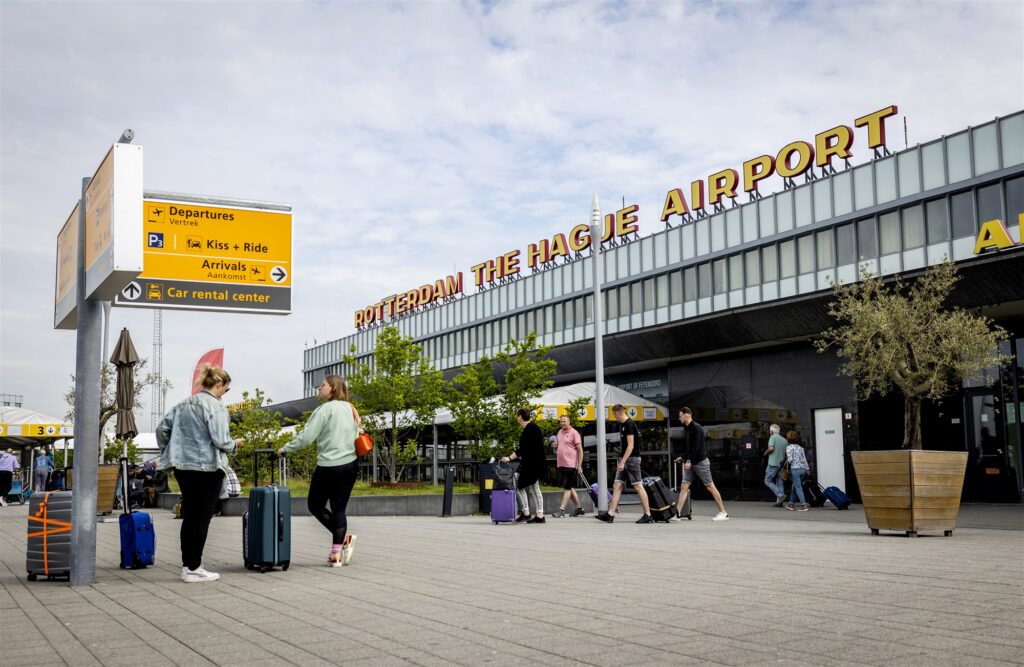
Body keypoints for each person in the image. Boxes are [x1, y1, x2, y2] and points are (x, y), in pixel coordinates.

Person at [157, 364, 241, 583]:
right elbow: (221, 439)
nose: (225, 393)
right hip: (207, 467)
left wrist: (171, 450)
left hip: (182, 467)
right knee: (202, 518)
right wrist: (235, 444)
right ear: (219, 384)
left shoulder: (182, 404)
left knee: (190, 516)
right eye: (226, 389)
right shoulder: (216, 406)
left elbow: (161, 430)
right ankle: (194, 568)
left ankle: (188, 565)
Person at [276, 375, 360, 566]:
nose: (319, 389)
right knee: (339, 508)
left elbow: (306, 438)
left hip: (329, 466)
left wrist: (285, 449)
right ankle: (336, 555)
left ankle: (342, 540)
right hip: (351, 464)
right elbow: (357, 434)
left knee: (315, 505)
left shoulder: (324, 410)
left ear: (333, 388)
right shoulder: (351, 408)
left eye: (322, 385)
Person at [596, 404, 652, 524]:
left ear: (618, 413)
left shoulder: (629, 424)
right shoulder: (623, 425)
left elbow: (631, 445)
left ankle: (648, 514)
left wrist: (622, 462)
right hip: (626, 459)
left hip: (631, 460)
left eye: (614, 415)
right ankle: (610, 514)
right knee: (617, 485)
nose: (614, 418)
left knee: (638, 485)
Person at [674, 407, 729, 521]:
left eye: (680, 415)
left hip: (700, 462)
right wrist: (683, 457)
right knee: (684, 486)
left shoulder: (696, 428)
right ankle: (677, 513)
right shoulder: (687, 428)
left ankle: (723, 512)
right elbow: (690, 448)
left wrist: (688, 461)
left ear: (687, 415)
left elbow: (696, 447)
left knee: (710, 486)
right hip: (691, 462)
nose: (679, 418)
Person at [501, 408, 548, 524]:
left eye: (518, 416)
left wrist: (509, 458)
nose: (517, 418)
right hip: (533, 464)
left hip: (531, 464)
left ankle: (529, 513)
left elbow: (523, 449)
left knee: (520, 484)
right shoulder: (532, 428)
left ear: (521, 417)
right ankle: (536, 514)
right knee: (532, 487)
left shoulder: (530, 429)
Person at [551, 414, 585, 518]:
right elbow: (558, 445)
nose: (562, 423)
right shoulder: (559, 432)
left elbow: (580, 450)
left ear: (569, 422)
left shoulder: (574, 433)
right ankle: (579, 509)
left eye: (564, 421)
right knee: (569, 487)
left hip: (571, 464)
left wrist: (579, 465)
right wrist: (555, 445)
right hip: (561, 463)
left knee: (567, 487)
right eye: (561, 421)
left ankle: (561, 511)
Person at [785, 431, 810, 511]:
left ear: (788, 438)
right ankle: (791, 504)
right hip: (803, 469)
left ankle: (803, 505)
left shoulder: (789, 447)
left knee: (798, 487)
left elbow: (790, 460)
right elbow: (804, 459)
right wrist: (807, 469)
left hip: (795, 469)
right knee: (795, 486)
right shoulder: (801, 448)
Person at [763, 424, 788, 507]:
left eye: (769, 431)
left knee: (767, 481)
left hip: (773, 463)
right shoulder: (785, 440)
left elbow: (771, 448)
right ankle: (779, 502)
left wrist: (765, 453)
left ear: (772, 431)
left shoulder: (773, 437)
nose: (769, 432)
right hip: (781, 465)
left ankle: (780, 495)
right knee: (779, 482)